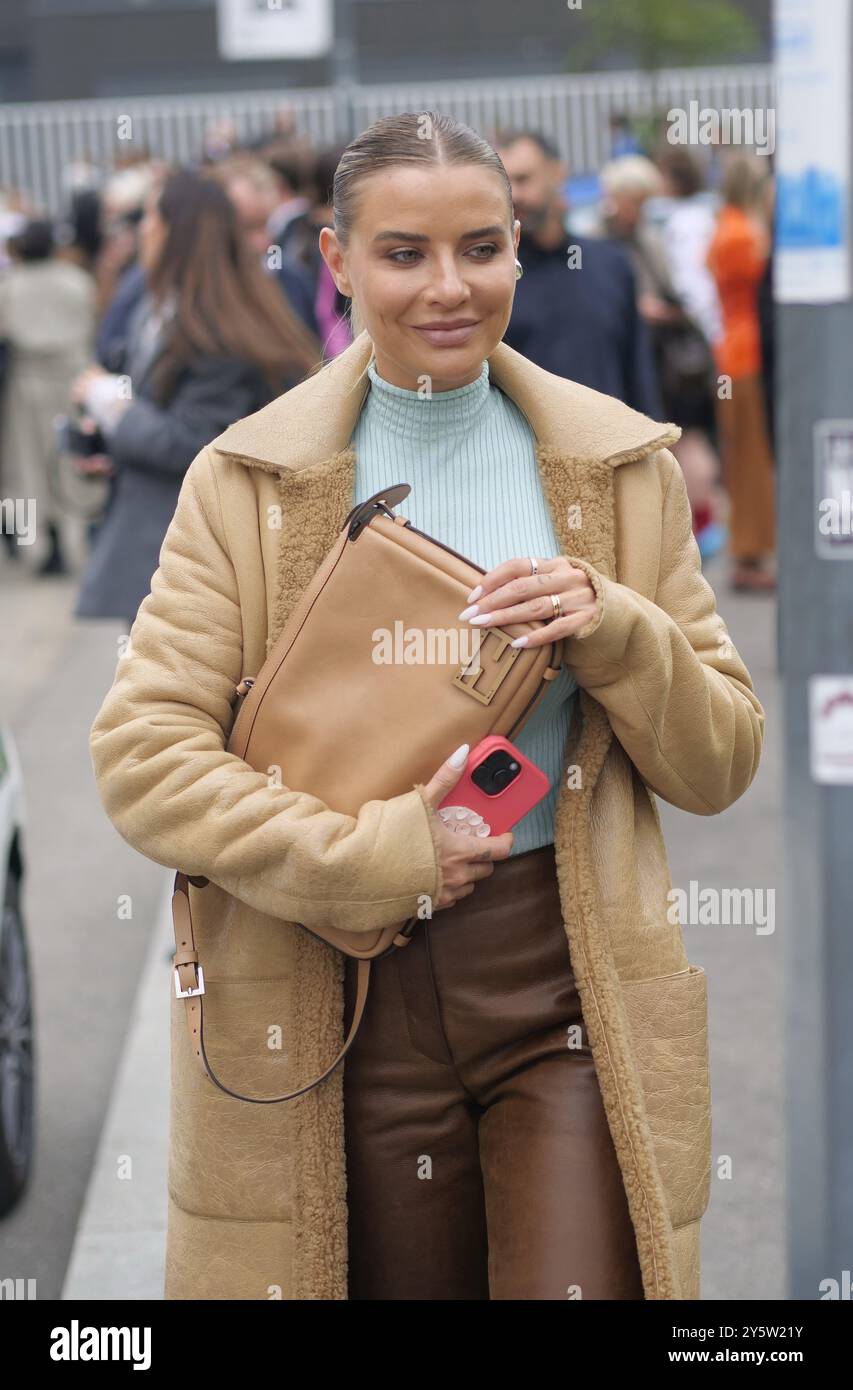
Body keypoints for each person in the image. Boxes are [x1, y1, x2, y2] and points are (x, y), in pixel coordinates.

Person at [88, 112, 765, 1302]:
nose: (449, 287)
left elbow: (719, 762)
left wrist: (614, 629)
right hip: (338, 997)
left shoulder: (618, 468)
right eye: (403, 253)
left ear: (520, 252)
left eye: (482, 248)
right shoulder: (245, 481)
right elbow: (145, 757)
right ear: (337, 261)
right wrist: (369, 856)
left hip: (569, 991)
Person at [74, 167, 321, 629]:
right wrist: (104, 438)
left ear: (177, 228)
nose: (143, 228)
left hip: (196, 551)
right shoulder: (166, 305)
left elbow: (193, 441)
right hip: (170, 538)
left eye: (151, 215)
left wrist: (113, 408)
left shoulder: (214, 329)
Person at [599, 154, 722, 550]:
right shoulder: (614, 240)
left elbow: (667, 291)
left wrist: (652, 309)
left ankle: (693, 528)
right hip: (649, 358)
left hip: (663, 359)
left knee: (680, 443)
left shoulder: (643, 237)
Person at [493, 128, 661, 416]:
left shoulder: (611, 264)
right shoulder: (493, 281)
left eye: (523, 179)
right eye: (504, 184)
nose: (515, 195)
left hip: (614, 448)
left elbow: (639, 375)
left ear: (557, 174)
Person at [0, 218, 96, 573]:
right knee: (75, 456)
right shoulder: (78, 281)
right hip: (74, 379)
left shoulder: (11, 286)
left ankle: (39, 540)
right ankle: (87, 527)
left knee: (29, 464)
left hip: (29, 382)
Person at [706, 154, 777, 592]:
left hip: (732, 351)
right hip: (744, 354)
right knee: (750, 456)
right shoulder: (743, 233)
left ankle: (749, 549)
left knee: (743, 455)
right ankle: (748, 553)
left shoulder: (727, 226)